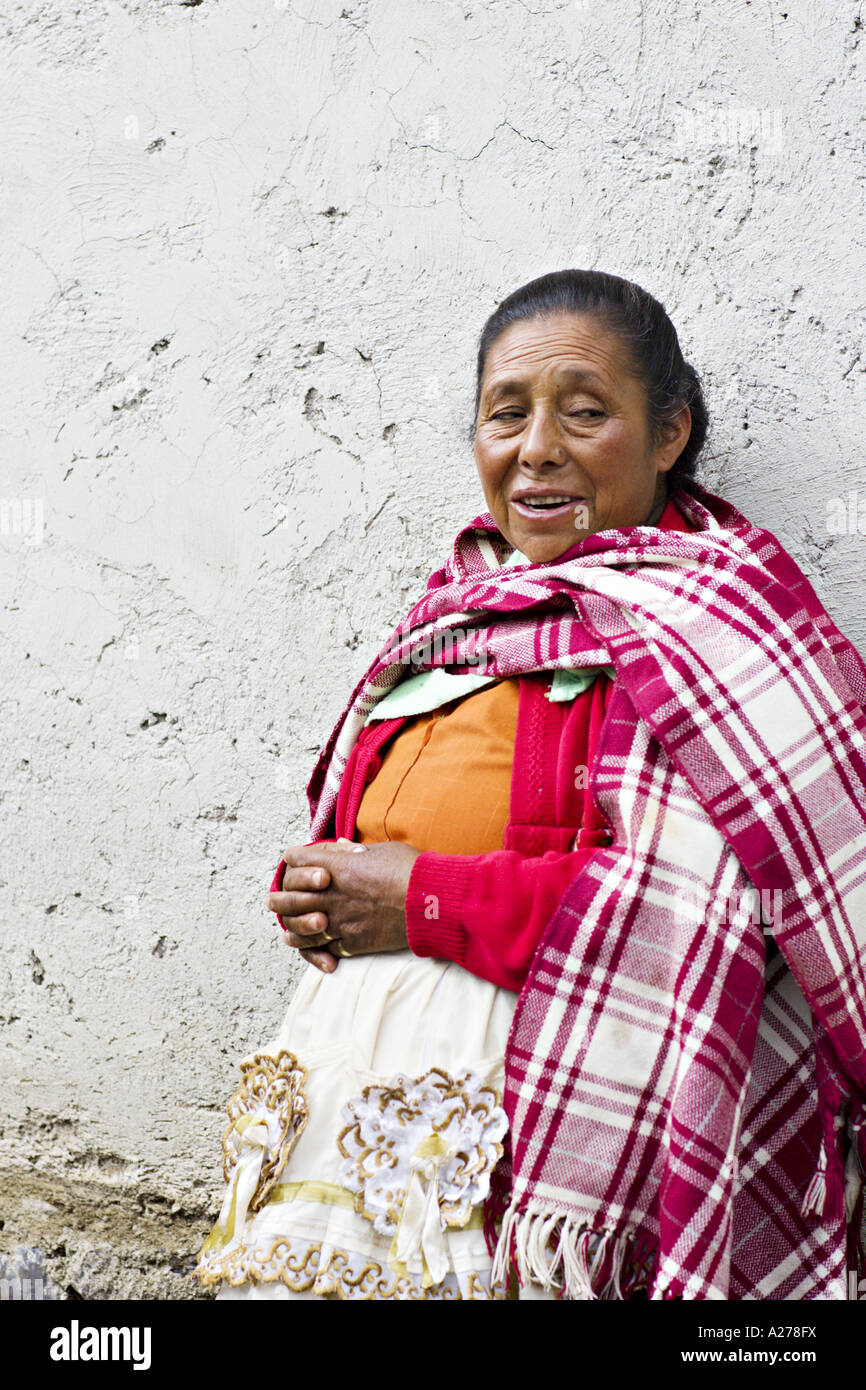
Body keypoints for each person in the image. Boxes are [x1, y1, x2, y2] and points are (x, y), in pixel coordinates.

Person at [194, 269, 866, 1301]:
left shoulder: (718, 640)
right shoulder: (456, 608)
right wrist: (327, 894)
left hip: (547, 1124)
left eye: (584, 411)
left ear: (668, 432)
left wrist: (416, 900)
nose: (536, 447)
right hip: (359, 1093)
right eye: (505, 413)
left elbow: (696, 922)